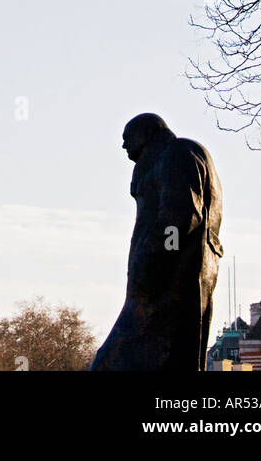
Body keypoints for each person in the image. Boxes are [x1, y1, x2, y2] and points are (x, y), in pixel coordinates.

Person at [90, 112, 223, 371]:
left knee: (109, 364)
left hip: (169, 279)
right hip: (175, 276)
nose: (124, 145)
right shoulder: (172, 156)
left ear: (148, 132)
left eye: (128, 137)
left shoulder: (176, 154)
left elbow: (181, 216)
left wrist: (153, 259)